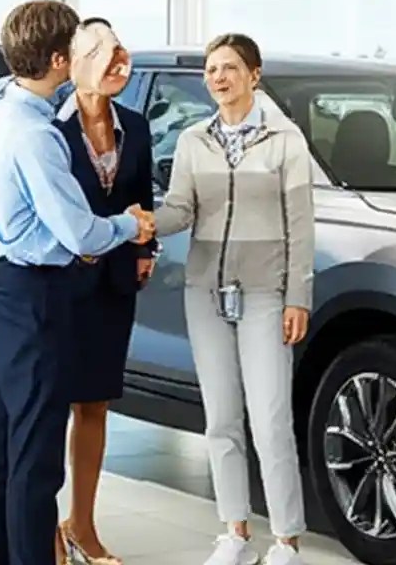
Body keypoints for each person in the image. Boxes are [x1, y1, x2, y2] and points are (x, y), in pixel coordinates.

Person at [0, 0, 155, 565]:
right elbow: (79, 233)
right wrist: (132, 225)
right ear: (57, 59)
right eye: (75, 49)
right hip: (34, 298)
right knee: (36, 457)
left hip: (4, 290)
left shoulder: (9, 111)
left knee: (1, 444)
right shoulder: (38, 134)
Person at [153, 33, 314, 565]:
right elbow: (181, 210)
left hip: (266, 292)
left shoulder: (285, 141)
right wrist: (147, 222)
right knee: (220, 416)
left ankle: (286, 539)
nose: (217, 78)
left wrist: (298, 297)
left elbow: (300, 227)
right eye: (210, 70)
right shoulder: (193, 140)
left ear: (254, 75)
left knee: (270, 419)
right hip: (205, 293)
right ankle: (236, 533)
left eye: (228, 68)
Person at [55, 17, 157, 565]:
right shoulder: (49, 124)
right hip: (57, 285)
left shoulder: (136, 126)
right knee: (48, 407)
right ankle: (45, 524)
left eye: (122, 49)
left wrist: (144, 252)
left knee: (93, 404)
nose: (120, 60)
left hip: (112, 285)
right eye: (105, 51)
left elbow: (142, 194)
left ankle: (83, 526)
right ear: (72, 62)